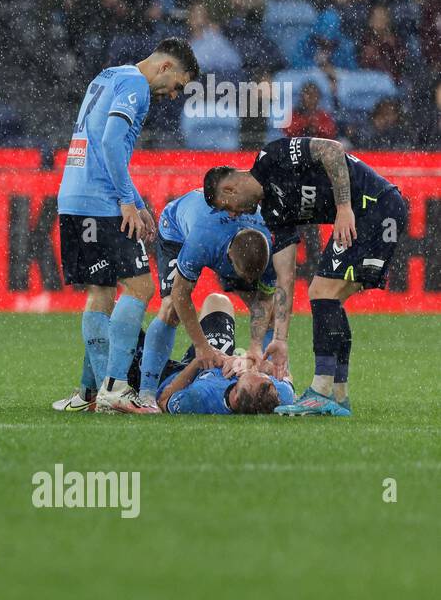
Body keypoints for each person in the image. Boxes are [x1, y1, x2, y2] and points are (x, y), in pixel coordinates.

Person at [204, 136, 408, 416]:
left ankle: (322, 391)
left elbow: (332, 150)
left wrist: (344, 208)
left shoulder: (271, 157)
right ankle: (338, 395)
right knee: (328, 296)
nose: (234, 212)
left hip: (375, 207)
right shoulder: (273, 211)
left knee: (323, 292)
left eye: (227, 206)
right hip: (366, 214)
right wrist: (280, 338)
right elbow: (285, 277)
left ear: (228, 189)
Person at [53, 37, 199, 414]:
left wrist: (136, 200)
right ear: (166, 67)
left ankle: (90, 393)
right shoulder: (136, 86)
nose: (173, 95)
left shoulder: (107, 75)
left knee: (100, 292)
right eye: (178, 86)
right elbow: (112, 141)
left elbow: (98, 142)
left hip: (73, 195)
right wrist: (125, 201)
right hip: (102, 202)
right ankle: (115, 387)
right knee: (140, 287)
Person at [136, 187, 280, 406]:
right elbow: (180, 295)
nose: (248, 284)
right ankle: (146, 394)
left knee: (271, 315)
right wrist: (202, 346)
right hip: (177, 231)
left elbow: (265, 300)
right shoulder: (201, 241)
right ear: (229, 258)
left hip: (238, 241)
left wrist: (255, 348)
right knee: (170, 310)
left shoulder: (268, 243)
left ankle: (272, 377)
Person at [153, 295, 295, 414]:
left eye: (251, 375)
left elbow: (163, 400)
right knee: (218, 301)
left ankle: (144, 387)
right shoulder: (279, 395)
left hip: (175, 375)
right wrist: (256, 364)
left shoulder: (200, 398)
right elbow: (285, 375)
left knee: (137, 350)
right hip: (215, 357)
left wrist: (196, 362)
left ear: (236, 398)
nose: (256, 372)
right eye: (262, 375)